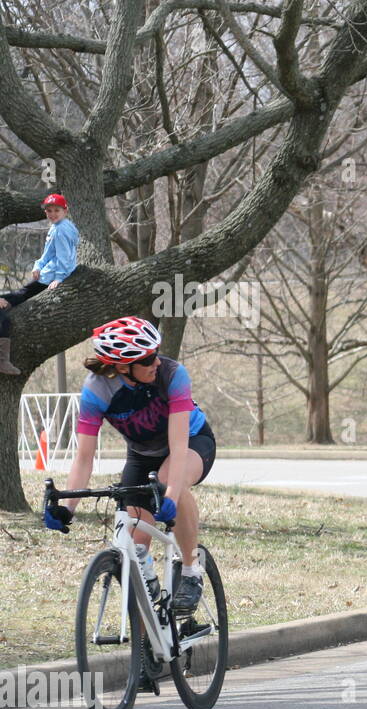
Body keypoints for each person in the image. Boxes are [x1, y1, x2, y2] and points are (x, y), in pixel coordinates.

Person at [46, 317, 216, 612]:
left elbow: (177, 448)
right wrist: (67, 507)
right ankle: (150, 619)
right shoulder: (96, 392)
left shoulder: (173, 375)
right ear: (123, 366)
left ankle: (191, 570)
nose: (157, 363)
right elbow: (84, 457)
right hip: (142, 455)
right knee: (135, 544)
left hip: (191, 442)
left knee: (167, 481)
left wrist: (172, 497)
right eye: (148, 358)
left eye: (156, 353)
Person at [0, 193, 79, 375]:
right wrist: (38, 265)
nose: (52, 214)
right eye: (49, 211)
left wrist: (58, 278)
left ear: (65, 211)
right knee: (18, 296)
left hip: (50, 278)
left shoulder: (61, 230)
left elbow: (64, 258)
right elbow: (49, 254)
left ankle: (2, 358)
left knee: (19, 296)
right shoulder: (57, 227)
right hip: (46, 274)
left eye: (56, 210)